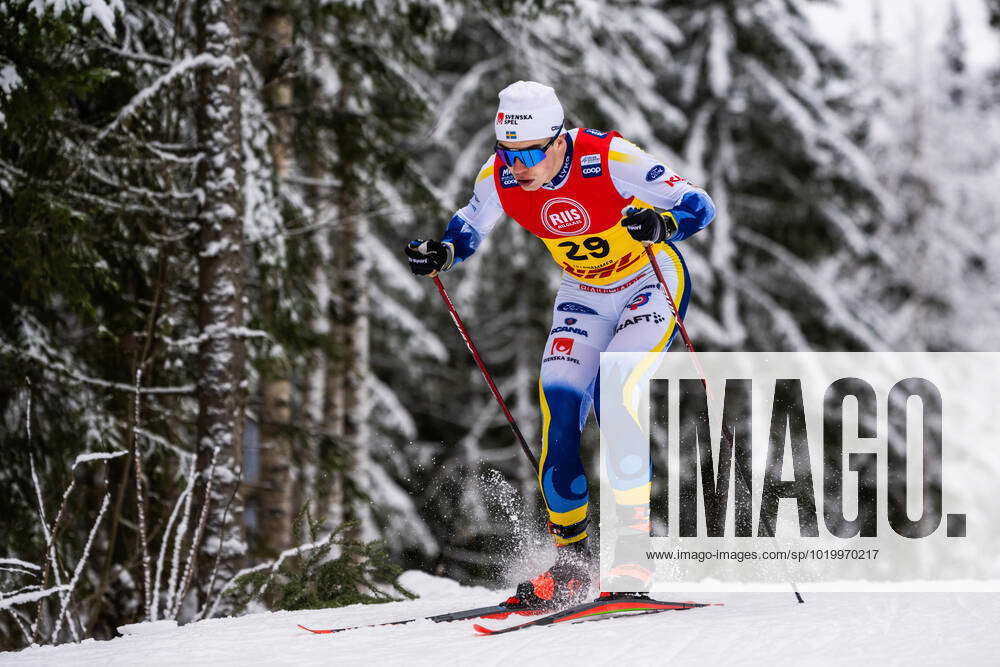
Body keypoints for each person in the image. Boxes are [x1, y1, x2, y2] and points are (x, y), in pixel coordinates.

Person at [405, 81, 715, 608]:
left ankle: (632, 555)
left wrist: (663, 223)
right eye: (508, 152)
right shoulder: (501, 177)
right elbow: (470, 224)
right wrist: (445, 252)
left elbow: (699, 206)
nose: (518, 165)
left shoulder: (609, 157)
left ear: (557, 141)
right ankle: (571, 564)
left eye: (529, 153)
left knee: (618, 392)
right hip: (584, 292)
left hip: (648, 279)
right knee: (561, 401)